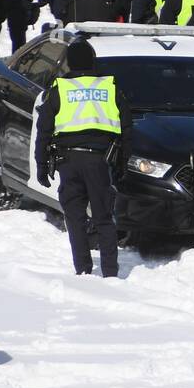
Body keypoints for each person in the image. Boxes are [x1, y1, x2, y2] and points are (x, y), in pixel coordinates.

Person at [34, 40, 131, 278]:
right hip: (99, 161)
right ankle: (109, 272)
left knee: (75, 218)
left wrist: (41, 164)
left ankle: (83, 270)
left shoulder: (60, 90)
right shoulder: (110, 88)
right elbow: (126, 129)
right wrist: (121, 163)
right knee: (104, 218)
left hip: (68, 162)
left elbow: (43, 129)